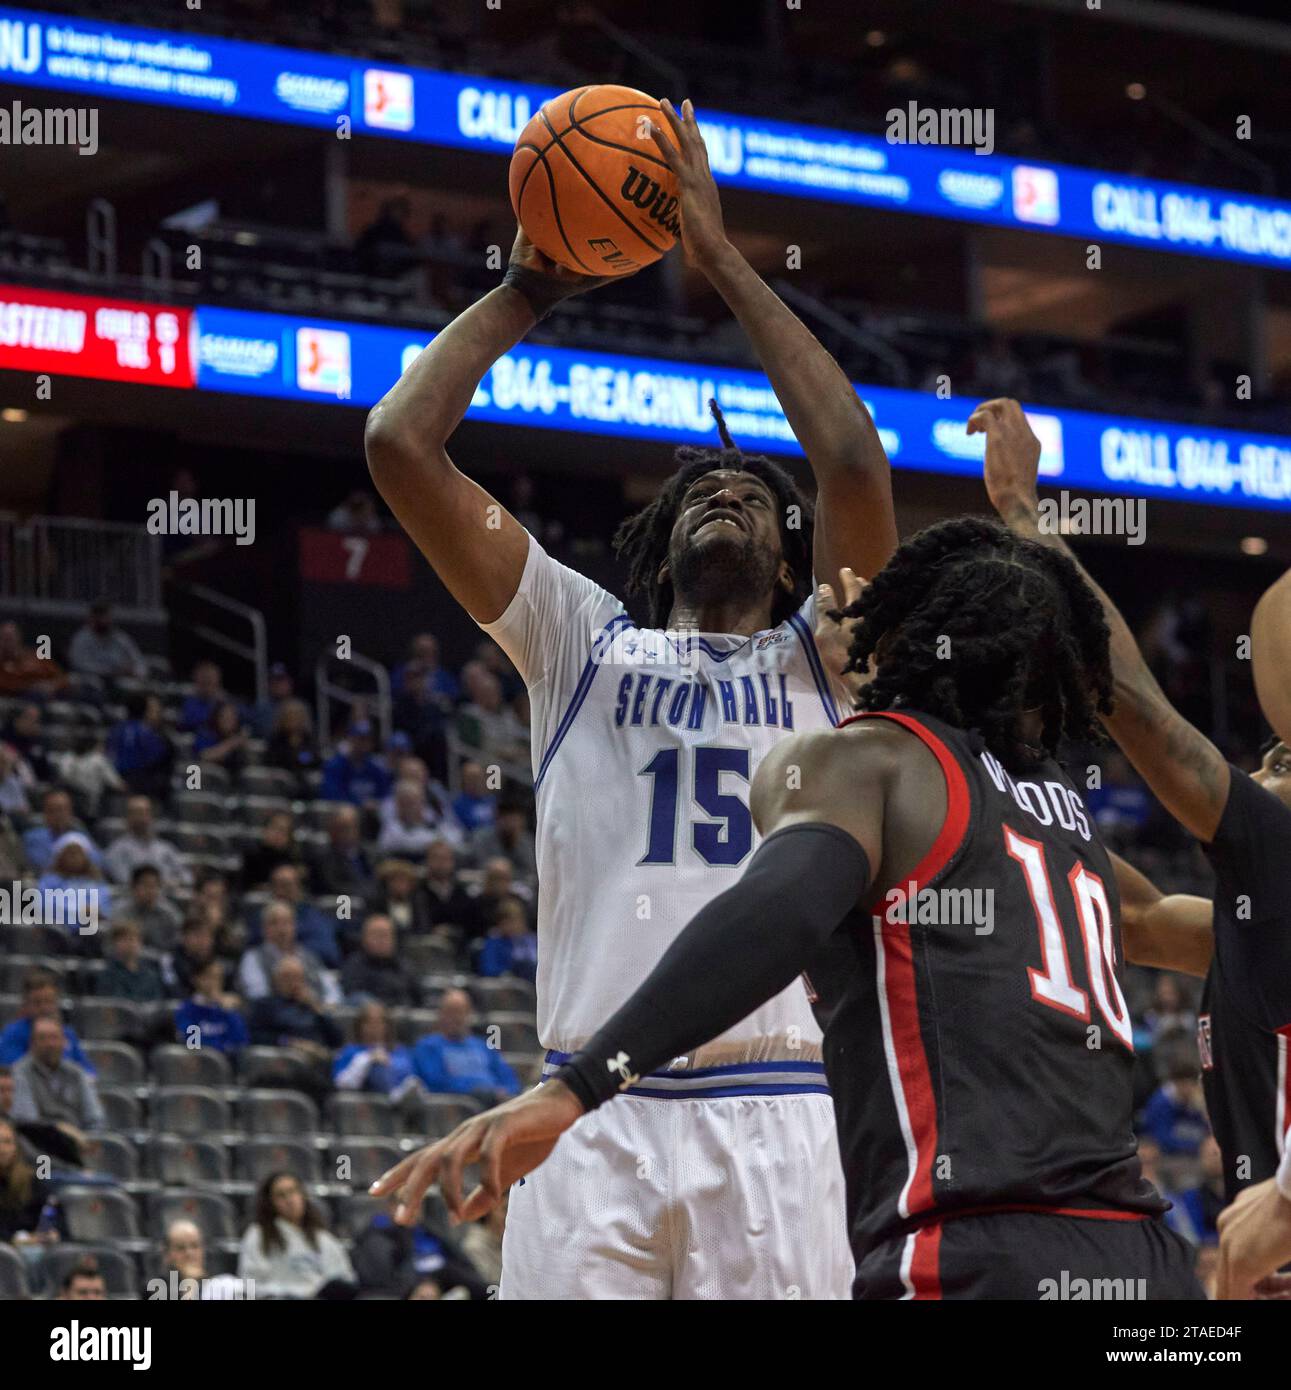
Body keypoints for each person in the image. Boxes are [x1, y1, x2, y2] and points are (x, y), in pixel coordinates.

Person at [373, 514, 1202, 1302]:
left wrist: (581, 1086)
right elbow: (1189, 923)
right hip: (1144, 1255)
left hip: (972, 1249)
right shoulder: (1066, 820)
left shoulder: (870, 764)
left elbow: (776, 916)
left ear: (909, 630)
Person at [366, 99, 897, 1302]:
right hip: (580, 1110)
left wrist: (716, 259)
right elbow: (401, 442)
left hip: (773, 1109)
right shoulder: (578, 642)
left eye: (754, 493)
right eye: (702, 486)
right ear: (657, 547)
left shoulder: (832, 653)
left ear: (790, 550)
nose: (727, 493)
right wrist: (525, 294)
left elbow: (854, 463)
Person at [977, 396, 1291, 1208]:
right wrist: (966, 761)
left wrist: (1022, 512)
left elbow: (1133, 703)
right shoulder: (1248, 926)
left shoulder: (1278, 844)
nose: (1261, 763)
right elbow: (1140, 917)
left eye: (1278, 755)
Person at [238, 1172, 356, 1299]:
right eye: (281, 1195)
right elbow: (249, 1283)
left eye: (293, 1191)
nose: (289, 1200)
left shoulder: (323, 1238)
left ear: (302, 1195)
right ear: (270, 1203)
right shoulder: (258, 1234)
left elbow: (345, 1279)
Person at [409, 990, 519, 1107]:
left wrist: (506, 1091)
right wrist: (478, 1091)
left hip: (494, 1105)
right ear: (440, 1014)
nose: (456, 1018)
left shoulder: (483, 1046)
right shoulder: (428, 1047)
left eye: (461, 1012)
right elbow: (436, 1083)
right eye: (450, 1012)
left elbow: (509, 1079)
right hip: (455, 1110)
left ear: (469, 1014)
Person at [11, 1017, 105, 1134]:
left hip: (78, 1143)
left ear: (64, 1042)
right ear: (32, 1044)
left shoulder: (76, 1073)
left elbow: (94, 1118)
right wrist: (61, 1132)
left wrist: (88, 1140)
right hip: (38, 1145)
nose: (50, 1044)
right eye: (43, 1038)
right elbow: (27, 1122)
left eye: (54, 1038)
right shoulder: (20, 1072)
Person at [237, 902, 335, 1004]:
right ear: (264, 928)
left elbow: (332, 993)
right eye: (274, 923)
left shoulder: (308, 956)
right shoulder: (253, 957)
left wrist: (313, 999)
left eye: (286, 922)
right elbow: (257, 996)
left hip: (312, 1012)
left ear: (295, 926)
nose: (281, 929)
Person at [0, 970, 94, 1072]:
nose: (44, 1008)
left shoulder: (67, 1033)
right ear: (26, 1004)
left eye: (49, 1001)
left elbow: (88, 1071)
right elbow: (12, 1070)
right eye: (37, 1002)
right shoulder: (13, 1034)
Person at [0, 1116, 66, 1244]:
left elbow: (52, 1212)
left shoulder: (33, 1181)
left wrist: (53, 1233)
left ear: (16, 1148)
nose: (2, 1149)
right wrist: (15, 1239)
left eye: (7, 1142)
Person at [104, 795, 191, 889]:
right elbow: (123, 879)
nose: (143, 818)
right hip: (132, 900)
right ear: (128, 818)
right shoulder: (116, 850)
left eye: (146, 812)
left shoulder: (165, 848)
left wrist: (175, 882)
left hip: (166, 898)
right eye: (138, 813)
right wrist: (156, 885)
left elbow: (187, 877)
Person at [333, 1001, 416, 1098]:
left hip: (393, 1092)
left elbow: (408, 1076)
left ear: (387, 1026)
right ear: (359, 1026)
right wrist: (368, 1059)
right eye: (368, 1023)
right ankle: (394, 1098)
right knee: (376, 1067)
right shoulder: (349, 1051)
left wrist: (387, 1061)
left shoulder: (399, 1051)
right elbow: (340, 1082)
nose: (374, 1027)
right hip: (362, 1097)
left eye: (379, 1022)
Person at [340, 914, 420, 1007]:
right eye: (376, 935)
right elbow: (352, 995)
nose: (381, 940)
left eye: (385, 935)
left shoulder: (405, 966)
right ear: (364, 938)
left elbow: (419, 999)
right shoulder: (353, 966)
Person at [106, 692, 174, 799]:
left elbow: (109, 754)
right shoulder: (146, 733)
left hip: (120, 779)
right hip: (139, 781)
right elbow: (156, 757)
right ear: (144, 711)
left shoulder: (116, 730)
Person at [162, 1217, 249, 1299]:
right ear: (167, 1255)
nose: (189, 1253)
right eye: (180, 1248)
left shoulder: (223, 1284)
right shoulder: (155, 1289)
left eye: (195, 1246)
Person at [175, 959, 248, 1055]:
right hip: (202, 1063)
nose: (215, 983)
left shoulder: (227, 1009)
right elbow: (193, 1044)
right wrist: (221, 1048)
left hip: (230, 1063)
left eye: (219, 977)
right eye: (210, 977)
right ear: (196, 979)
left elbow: (241, 1042)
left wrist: (229, 1012)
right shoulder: (187, 1010)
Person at [21, 788, 100, 874]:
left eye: (64, 809)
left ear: (70, 812)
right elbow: (41, 865)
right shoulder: (34, 838)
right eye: (54, 810)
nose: (60, 815)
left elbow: (100, 861)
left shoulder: (80, 835)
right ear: (45, 814)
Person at [308, 804, 376, 903]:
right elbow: (335, 887)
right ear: (331, 830)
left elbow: (377, 881)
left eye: (353, 826)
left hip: (372, 905)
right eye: (344, 828)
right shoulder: (323, 859)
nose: (349, 832)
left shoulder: (369, 854)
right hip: (342, 907)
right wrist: (366, 894)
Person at [67, 602, 147, 683]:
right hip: (91, 680)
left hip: (121, 681)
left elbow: (138, 660)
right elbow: (79, 664)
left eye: (105, 616)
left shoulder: (120, 638)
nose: (103, 620)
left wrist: (136, 672)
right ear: (92, 618)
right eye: (99, 616)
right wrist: (111, 671)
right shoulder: (82, 638)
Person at [320, 721, 392, 808]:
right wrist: (359, 803)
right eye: (360, 739)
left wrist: (377, 803)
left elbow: (385, 794)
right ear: (350, 739)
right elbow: (332, 795)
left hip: (373, 812)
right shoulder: (335, 765)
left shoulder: (376, 767)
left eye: (367, 739)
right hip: (344, 811)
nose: (363, 744)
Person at [97, 920, 165, 1003]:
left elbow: (157, 1003)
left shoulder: (150, 974)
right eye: (124, 940)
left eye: (133, 939)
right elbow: (111, 1006)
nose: (130, 944)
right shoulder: (107, 974)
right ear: (115, 944)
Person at [472, 896, 537, 983]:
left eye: (516, 920)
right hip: (508, 986)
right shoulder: (494, 943)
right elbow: (489, 969)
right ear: (500, 923)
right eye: (508, 922)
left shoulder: (533, 940)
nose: (513, 926)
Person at [0, 620, 68, 697]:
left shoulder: (36, 657)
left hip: (42, 699)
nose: (8, 642)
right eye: (4, 638)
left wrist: (52, 685)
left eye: (10, 638)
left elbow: (62, 678)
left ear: (18, 637)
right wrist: (28, 686)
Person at [240, 810, 300, 891]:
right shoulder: (251, 856)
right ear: (265, 830)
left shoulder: (294, 859)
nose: (278, 834)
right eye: (274, 828)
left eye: (283, 831)